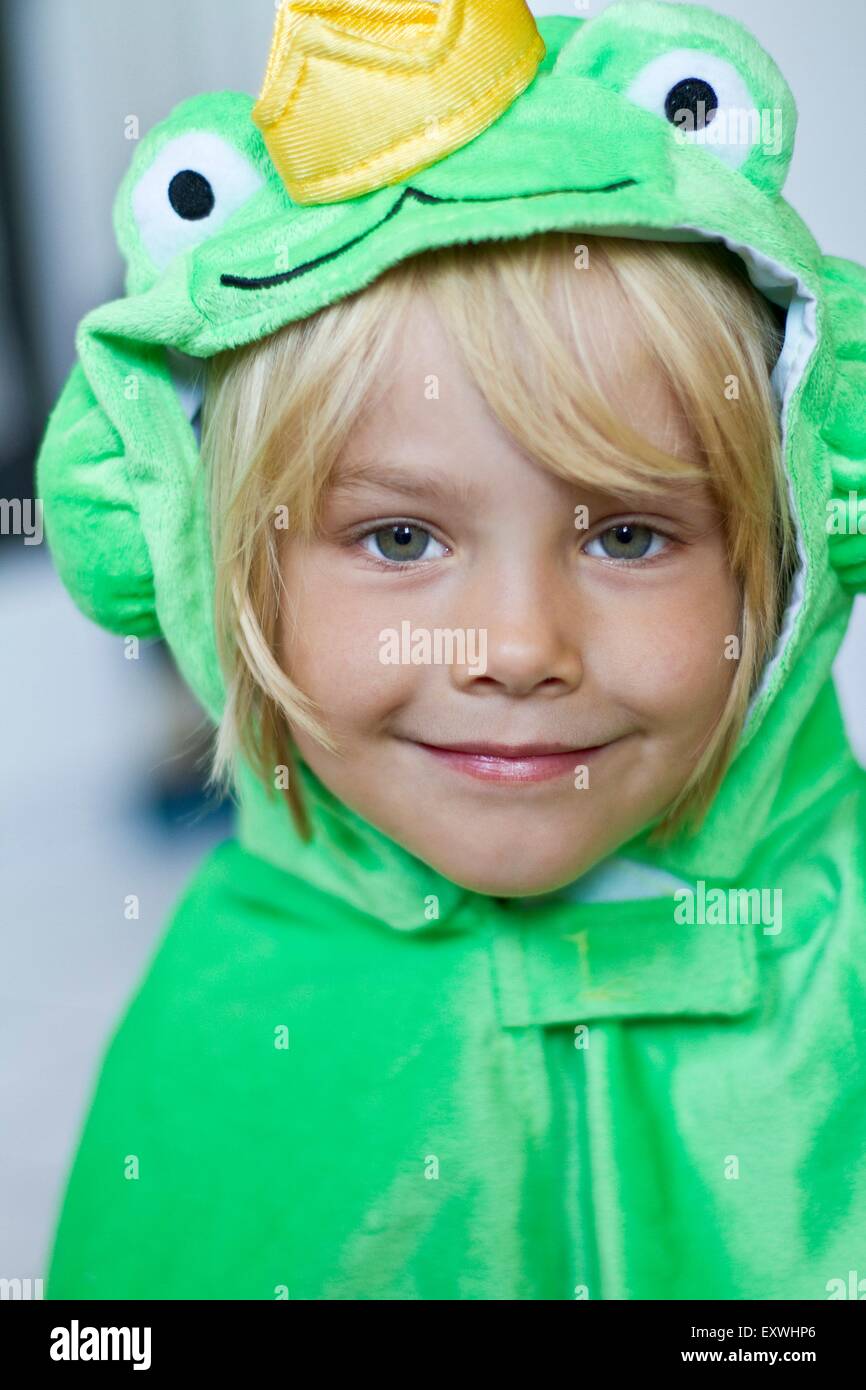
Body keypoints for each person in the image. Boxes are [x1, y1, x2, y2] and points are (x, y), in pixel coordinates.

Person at [37, 0, 866, 1300]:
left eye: (632, 537)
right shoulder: (232, 1024)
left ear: (789, 551)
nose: (518, 646)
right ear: (225, 567)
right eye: (401, 537)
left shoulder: (844, 973)